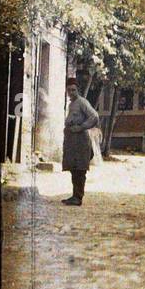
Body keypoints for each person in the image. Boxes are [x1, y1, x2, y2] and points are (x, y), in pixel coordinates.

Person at [62, 78, 99, 206]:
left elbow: (94, 116)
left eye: (74, 90)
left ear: (78, 90)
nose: (71, 92)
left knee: (80, 169)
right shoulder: (72, 104)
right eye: (69, 90)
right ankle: (74, 195)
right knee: (74, 168)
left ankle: (78, 197)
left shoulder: (82, 102)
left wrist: (81, 127)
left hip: (81, 141)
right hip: (73, 142)